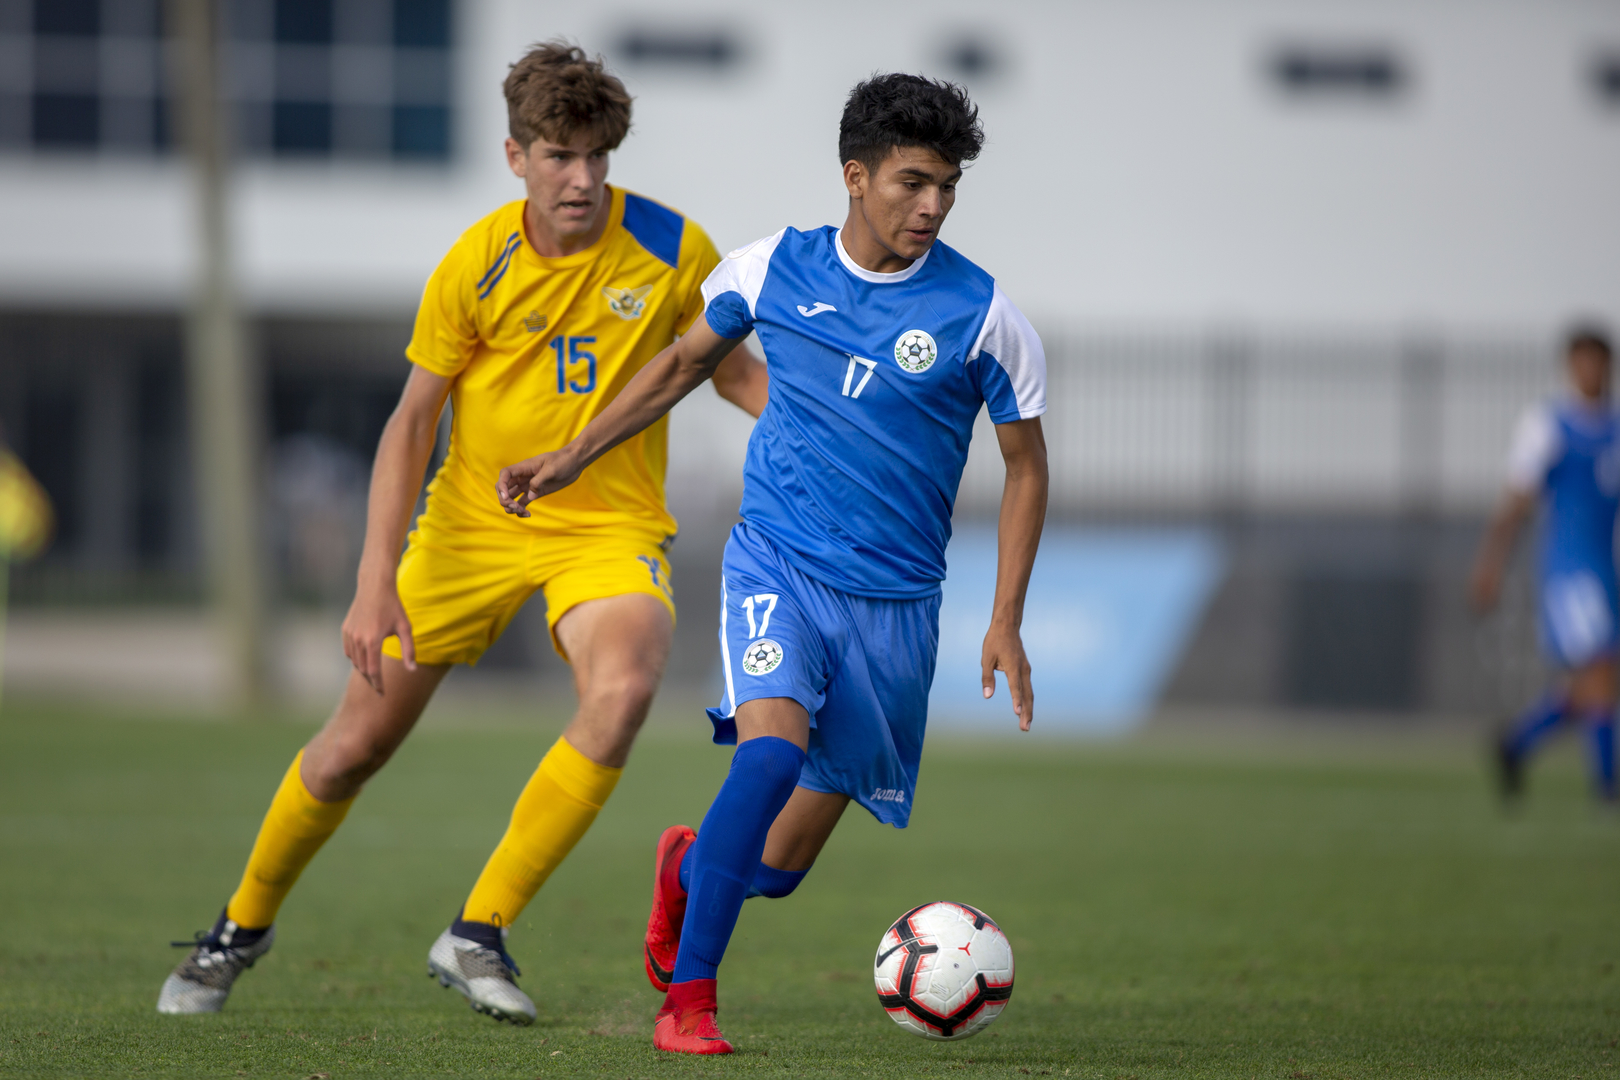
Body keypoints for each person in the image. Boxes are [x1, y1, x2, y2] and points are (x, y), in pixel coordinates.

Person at [157, 42, 768, 1021]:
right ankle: (240, 927)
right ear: (516, 156)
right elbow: (411, 424)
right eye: (559, 156)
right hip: (469, 527)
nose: (582, 179)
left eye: (597, 157)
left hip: (605, 529)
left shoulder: (673, 248)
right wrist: (374, 581)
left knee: (625, 688)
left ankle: (479, 930)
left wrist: (833, 438)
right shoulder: (476, 263)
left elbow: (729, 373)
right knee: (350, 750)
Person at [496, 73, 1049, 1054]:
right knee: (769, 754)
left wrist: (1004, 618)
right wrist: (572, 455)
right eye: (914, 182)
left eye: (948, 188)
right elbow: (681, 367)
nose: (932, 206)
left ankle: (686, 866)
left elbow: (1025, 468)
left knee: (779, 865)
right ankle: (689, 1004)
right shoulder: (767, 271)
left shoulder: (983, 315)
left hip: (896, 607)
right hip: (778, 563)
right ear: (856, 176)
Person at [1471, 326, 1618, 805]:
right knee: (1600, 668)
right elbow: (1517, 497)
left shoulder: (1616, 428)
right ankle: (1607, 788)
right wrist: (1491, 562)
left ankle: (1516, 744)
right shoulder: (1550, 425)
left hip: (1606, 568)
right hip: (1570, 570)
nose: (1592, 371)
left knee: (1593, 686)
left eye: (1599, 362)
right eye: (1583, 361)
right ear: (1570, 367)